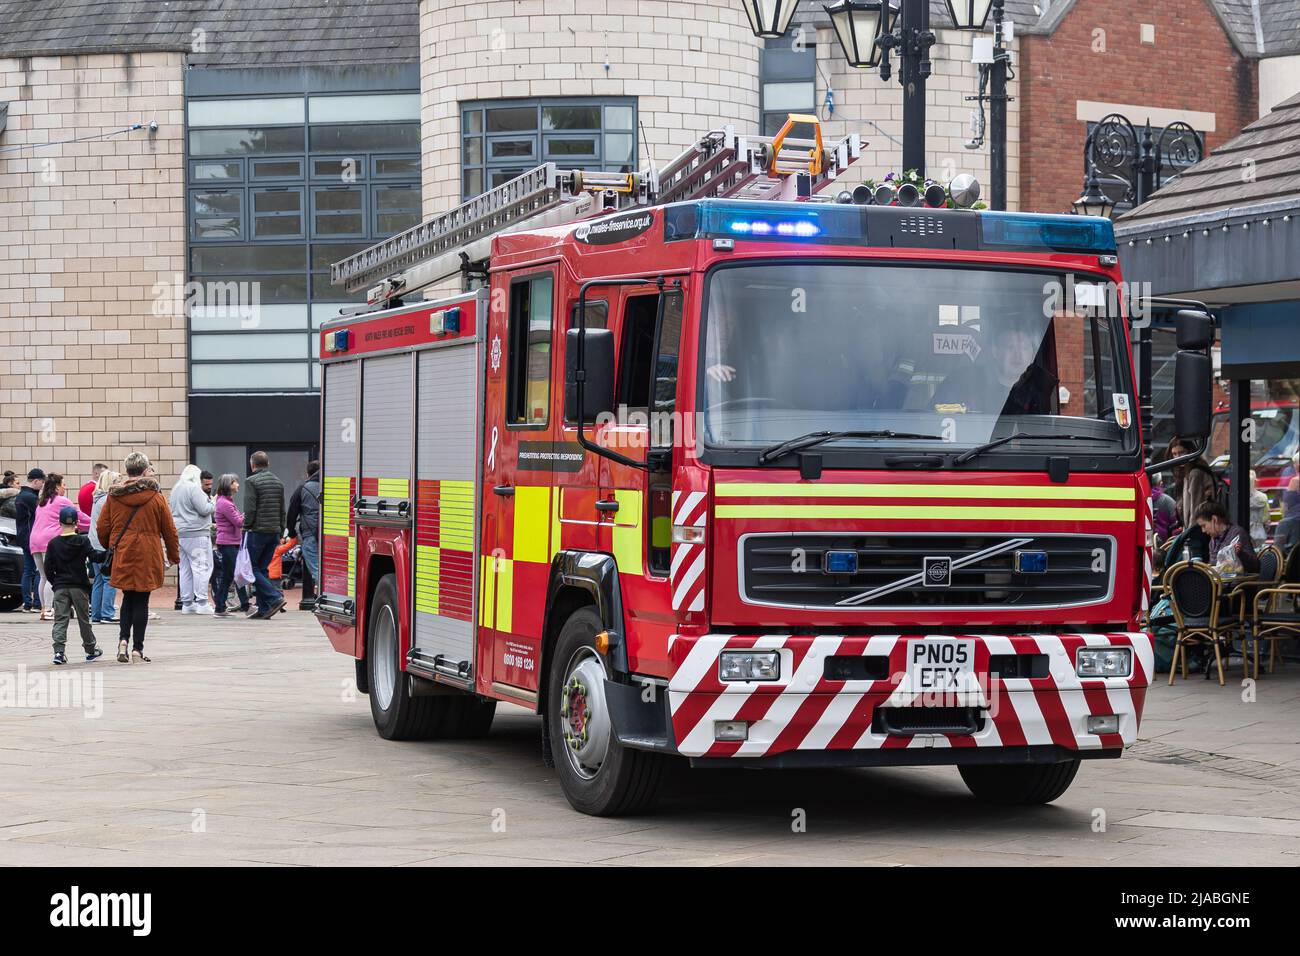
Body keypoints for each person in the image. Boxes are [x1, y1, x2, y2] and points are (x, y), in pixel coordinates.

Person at [97, 452, 180, 663]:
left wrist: (111, 545)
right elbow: (169, 530)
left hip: (123, 551)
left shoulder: (114, 496)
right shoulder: (156, 496)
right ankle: (137, 649)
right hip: (148, 552)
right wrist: (173, 556)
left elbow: (102, 527)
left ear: (127, 471)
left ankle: (122, 641)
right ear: (145, 471)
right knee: (142, 600)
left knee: (127, 597)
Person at [932, 324, 1057, 416]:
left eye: (1024, 348)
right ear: (995, 351)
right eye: (1010, 347)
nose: (1018, 355)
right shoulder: (963, 383)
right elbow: (934, 421)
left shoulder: (1044, 390)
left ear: (1032, 354)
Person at [44, 505, 106, 665]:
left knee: (60, 620)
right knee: (84, 620)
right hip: (79, 586)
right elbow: (95, 557)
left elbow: (47, 568)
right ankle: (91, 650)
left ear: (60, 523)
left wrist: (55, 583)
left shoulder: (53, 543)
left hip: (61, 587)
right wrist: (109, 552)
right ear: (77, 523)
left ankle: (59, 652)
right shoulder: (82, 541)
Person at [29, 474, 90, 622]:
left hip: (35, 540)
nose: (65, 487)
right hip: (49, 541)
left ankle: (44, 609)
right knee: (53, 575)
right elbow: (79, 517)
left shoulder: (42, 502)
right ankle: (50, 609)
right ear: (57, 487)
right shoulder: (63, 501)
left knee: (43, 576)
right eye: (63, 484)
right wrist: (94, 524)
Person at [243, 450, 286, 619]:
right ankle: (263, 608)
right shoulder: (278, 482)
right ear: (267, 464)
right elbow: (282, 509)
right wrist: (281, 530)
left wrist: (246, 526)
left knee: (251, 568)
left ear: (252, 464)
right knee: (262, 569)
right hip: (274, 531)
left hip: (258, 531)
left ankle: (274, 598)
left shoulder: (251, 481)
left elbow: (250, 508)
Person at [169, 464, 216, 614]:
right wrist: (213, 502)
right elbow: (204, 509)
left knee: (185, 569)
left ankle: (187, 603)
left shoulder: (176, 488)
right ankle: (202, 602)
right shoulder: (194, 488)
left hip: (180, 533)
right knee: (201, 567)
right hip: (196, 533)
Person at [212, 473, 250, 618]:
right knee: (236, 573)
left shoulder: (226, 501)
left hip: (231, 542)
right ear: (228, 485)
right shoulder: (225, 503)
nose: (238, 485)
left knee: (228, 576)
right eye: (235, 482)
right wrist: (246, 515)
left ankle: (220, 607)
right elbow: (238, 522)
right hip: (228, 543)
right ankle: (245, 605)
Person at [286, 460, 321, 610]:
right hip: (332, 534)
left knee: (314, 568)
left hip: (310, 533)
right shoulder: (332, 485)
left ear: (308, 473)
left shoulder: (303, 488)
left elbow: (292, 513)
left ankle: (320, 598)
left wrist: (292, 531)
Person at [87, 468, 121, 624]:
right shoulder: (108, 499)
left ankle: (96, 614)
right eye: (117, 481)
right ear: (111, 483)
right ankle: (107, 612)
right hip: (103, 544)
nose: (120, 484)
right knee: (109, 578)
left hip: (93, 543)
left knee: (99, 580)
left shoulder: (97, 498)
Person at [1194, 501, 1260, 575]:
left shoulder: (1237, 534)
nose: (1203, 530)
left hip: (1236, 585)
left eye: (1204, 526)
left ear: (1214, 519)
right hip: (1219, 584)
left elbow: (1255, 566)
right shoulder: (1213, 541)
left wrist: (1241, 554)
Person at [1167, 437, 1216, 528]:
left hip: (1199, 529)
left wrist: (1189, 533)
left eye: (1181, 452)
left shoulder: (1195, 473)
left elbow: (1196, 508)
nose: (1178, 457)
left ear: (1190, 451)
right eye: (1174, 454)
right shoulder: (1186, 473)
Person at [14, 469, 44, 613]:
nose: (42, 485)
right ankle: (36, 603)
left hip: (24, 536)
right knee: (38, 571)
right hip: (32, 537)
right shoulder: (30, 497)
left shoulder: (22, 495)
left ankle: (27, 603)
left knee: (28, 570)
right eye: (42, 482)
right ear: (36, 481)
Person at [1150, 477, 1178, 546]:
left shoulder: (1139, 499)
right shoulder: (1167, 501)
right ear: (1160, 483)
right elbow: (1177, 525)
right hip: (1164, 545)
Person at [1248, 470, 1271, 549]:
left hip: (1246, 534)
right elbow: (1267, 518)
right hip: (1260, 533)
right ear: (1255, 481)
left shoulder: (1240, 498)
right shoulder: (1263, 497)